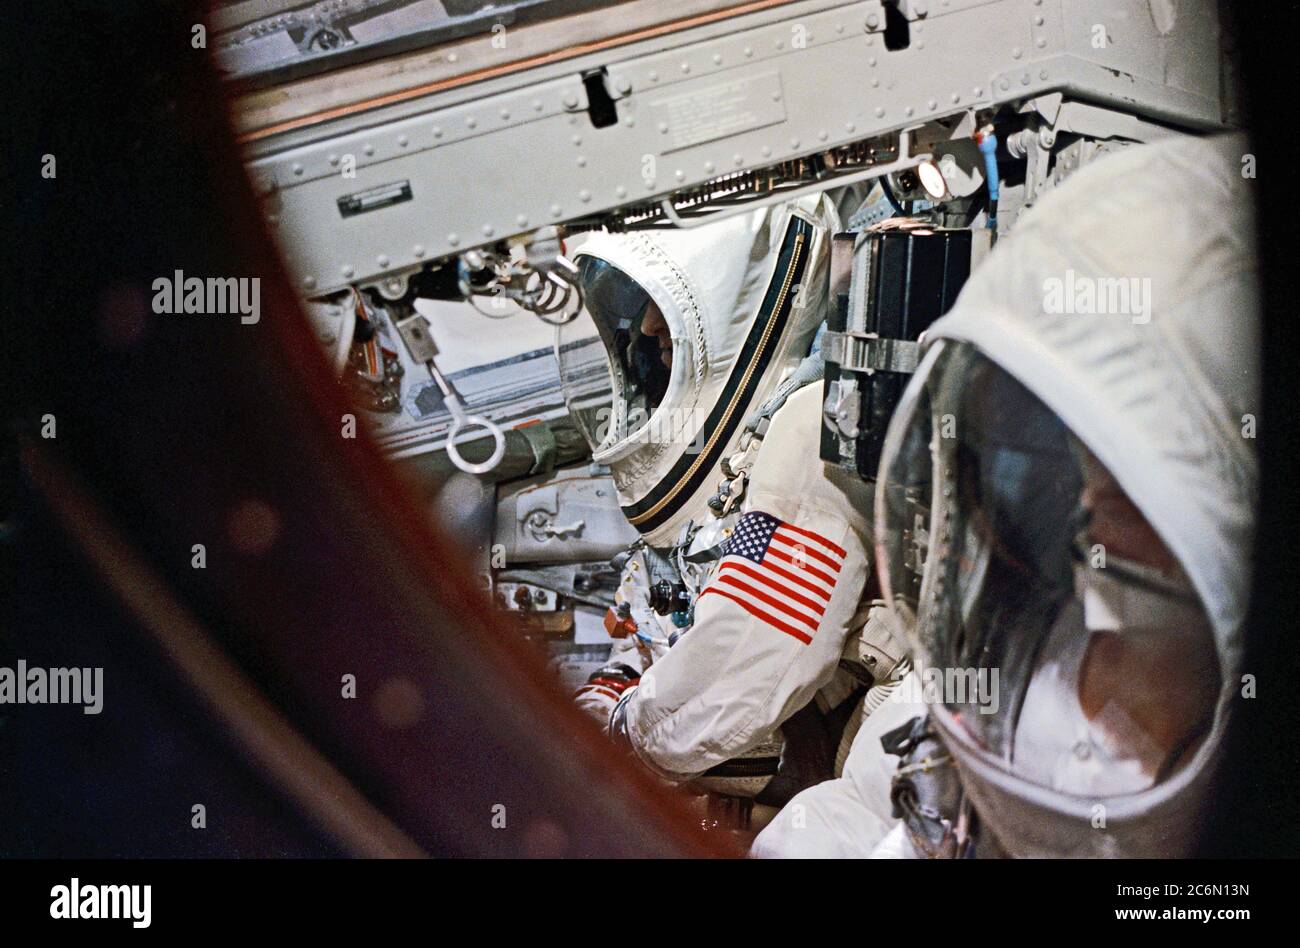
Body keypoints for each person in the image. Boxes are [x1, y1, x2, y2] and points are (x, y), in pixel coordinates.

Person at [782, 131, 1258, 858]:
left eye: (1129, 473)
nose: (1090, 501)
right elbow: (873, 802)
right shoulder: (1026, 636)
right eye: (1079, 460)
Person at [558, 194, 917, 841]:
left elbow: (746, 659)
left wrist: (614, 737)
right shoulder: (734, 477)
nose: (643, 335)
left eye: (656, 306)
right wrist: (620, 696)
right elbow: (644, 637)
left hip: (878, 753)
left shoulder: (805, 433)